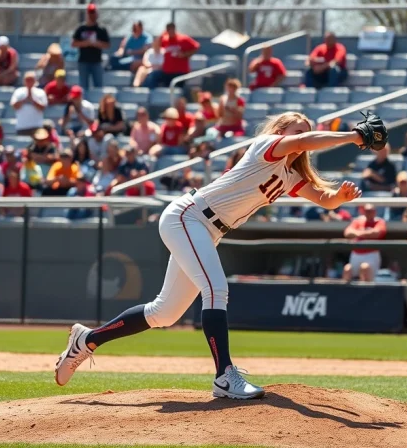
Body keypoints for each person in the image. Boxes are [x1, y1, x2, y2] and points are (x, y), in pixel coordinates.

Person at [55, 110, 384, 398]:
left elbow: (324, 200)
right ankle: (224, 376)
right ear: (280, 131)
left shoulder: (290, 175)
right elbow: (303, 143)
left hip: (207, 230)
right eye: (295, 129)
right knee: (217, 289)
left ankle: (87, 340)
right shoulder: (264, 148)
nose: (299, 135)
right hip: (189, 216)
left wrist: (338, 197)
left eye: (303, 129)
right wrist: (354, 136)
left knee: (164, 313)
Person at [144, 22, 199, 89]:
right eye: (168, 30)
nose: (170, 31)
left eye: (171, 29)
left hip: (180, 72)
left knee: (177, 90)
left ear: (174, 29)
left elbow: (196, 47)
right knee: (153, 76)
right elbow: (155, 46)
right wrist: (161, 35)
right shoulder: (165, 39)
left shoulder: (183, 39)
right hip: (167, 72)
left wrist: (185, 54)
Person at [342, 204, 387, 282]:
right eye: (366, 211)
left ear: (374, 212)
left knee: (364, 268)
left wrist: (358, 233)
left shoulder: (379, 221)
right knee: (347, 269)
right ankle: (345, 293)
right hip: (356, 255)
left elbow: (376, 233)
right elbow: (347, 233)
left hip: (371, 255)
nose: (368, 213)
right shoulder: (358, 221)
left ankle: (365, 293)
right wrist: (366, 233)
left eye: (370, 211)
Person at [72, 3, 110, 90]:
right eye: (90, 12)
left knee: (98, 86)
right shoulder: (81, 28)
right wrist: (85, 43)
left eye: (94, 12)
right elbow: (73, 43)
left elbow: (107, 45)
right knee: (83, 87)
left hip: (96, 61)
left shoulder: (101, 29)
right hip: (83, 61)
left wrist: (96, 43)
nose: (92, 15)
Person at [11, 71, 48, 136]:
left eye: (31, 80)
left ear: (35, 81)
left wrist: (32, 101)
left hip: (36, 126)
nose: (29, 82)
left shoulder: (40, 92)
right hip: (22, 126)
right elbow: (14, 106)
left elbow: (43, 108)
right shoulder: (18, 92)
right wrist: (24, 100)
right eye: (27, 80)